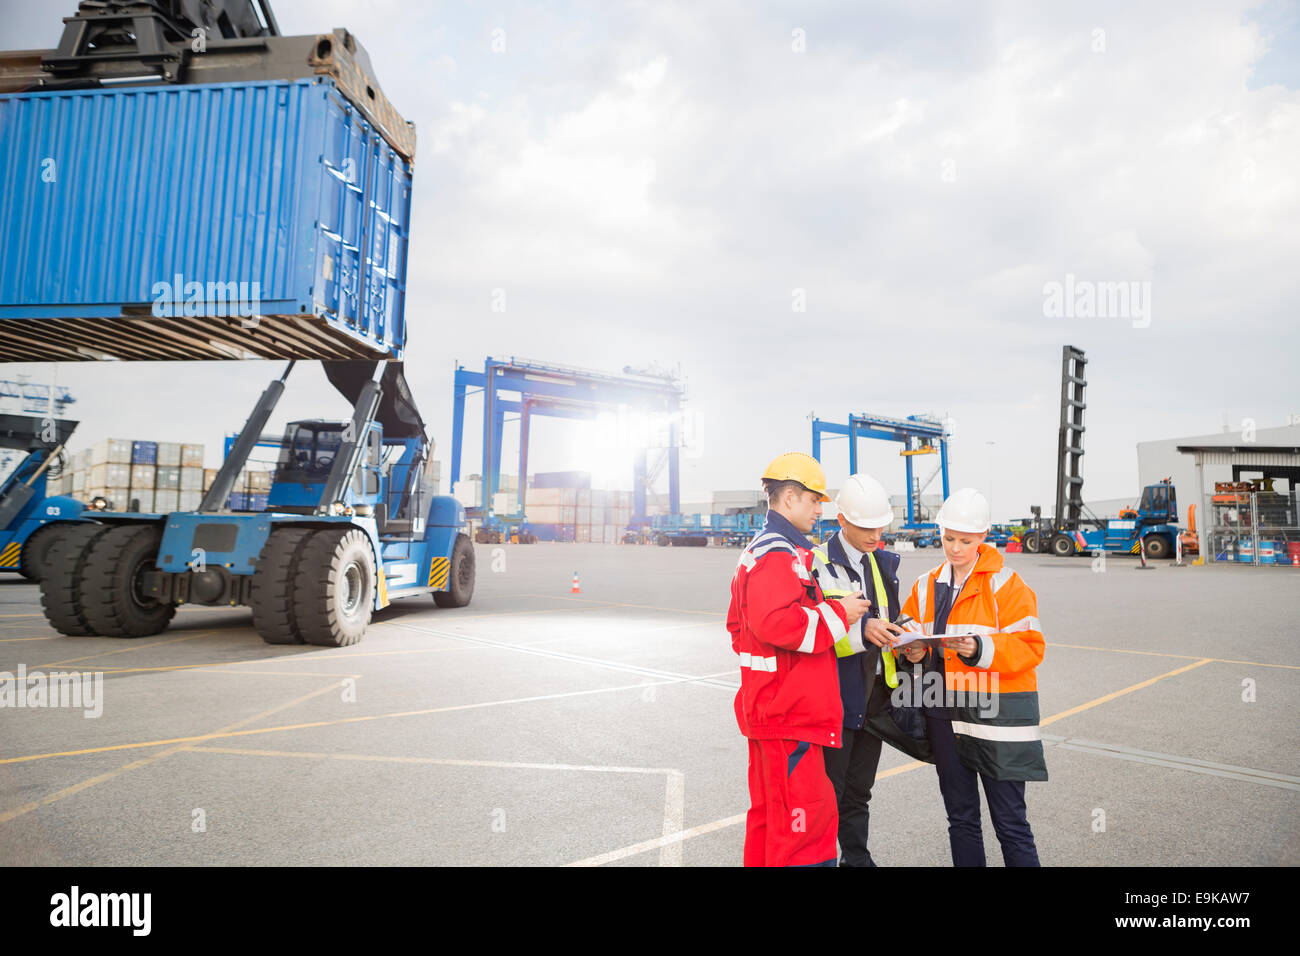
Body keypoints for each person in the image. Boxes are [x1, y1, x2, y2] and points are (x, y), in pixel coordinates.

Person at [727, 452, 872, 867]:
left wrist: (821, 608)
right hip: (788, 716)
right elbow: (776, 623)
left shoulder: (770, 552)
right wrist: (837, 614)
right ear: (789, 498)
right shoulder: (778, 554)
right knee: (803, 833)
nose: (819, 508)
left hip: (775, 712)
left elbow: (742, 629)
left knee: (771, 825)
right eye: (814, 500)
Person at [898, 487, 1046, 867]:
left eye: (965, 540)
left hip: (995, 721)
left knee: (1011, 822)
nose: (956, 548)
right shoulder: (925, 584)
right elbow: (910, 631)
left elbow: (1031, 648)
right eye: (949, 538)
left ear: (983, 537)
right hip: (945, 717)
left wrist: (979, 649)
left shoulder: (1007, 585)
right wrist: (913, 649)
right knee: (961, 819)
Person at [808, 473, 907, 867]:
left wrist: (905, 636)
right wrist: (862, 629)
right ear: (841, 520)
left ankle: (856, 859)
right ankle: (820, 860)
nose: (874, 534)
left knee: (859, 791)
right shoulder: (814, 563)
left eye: (880, 526)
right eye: (865, 527)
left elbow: (889, 617)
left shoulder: (881, 563)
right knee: (827, 793)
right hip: (835, 697)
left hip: (873, 699)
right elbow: (812, 629)